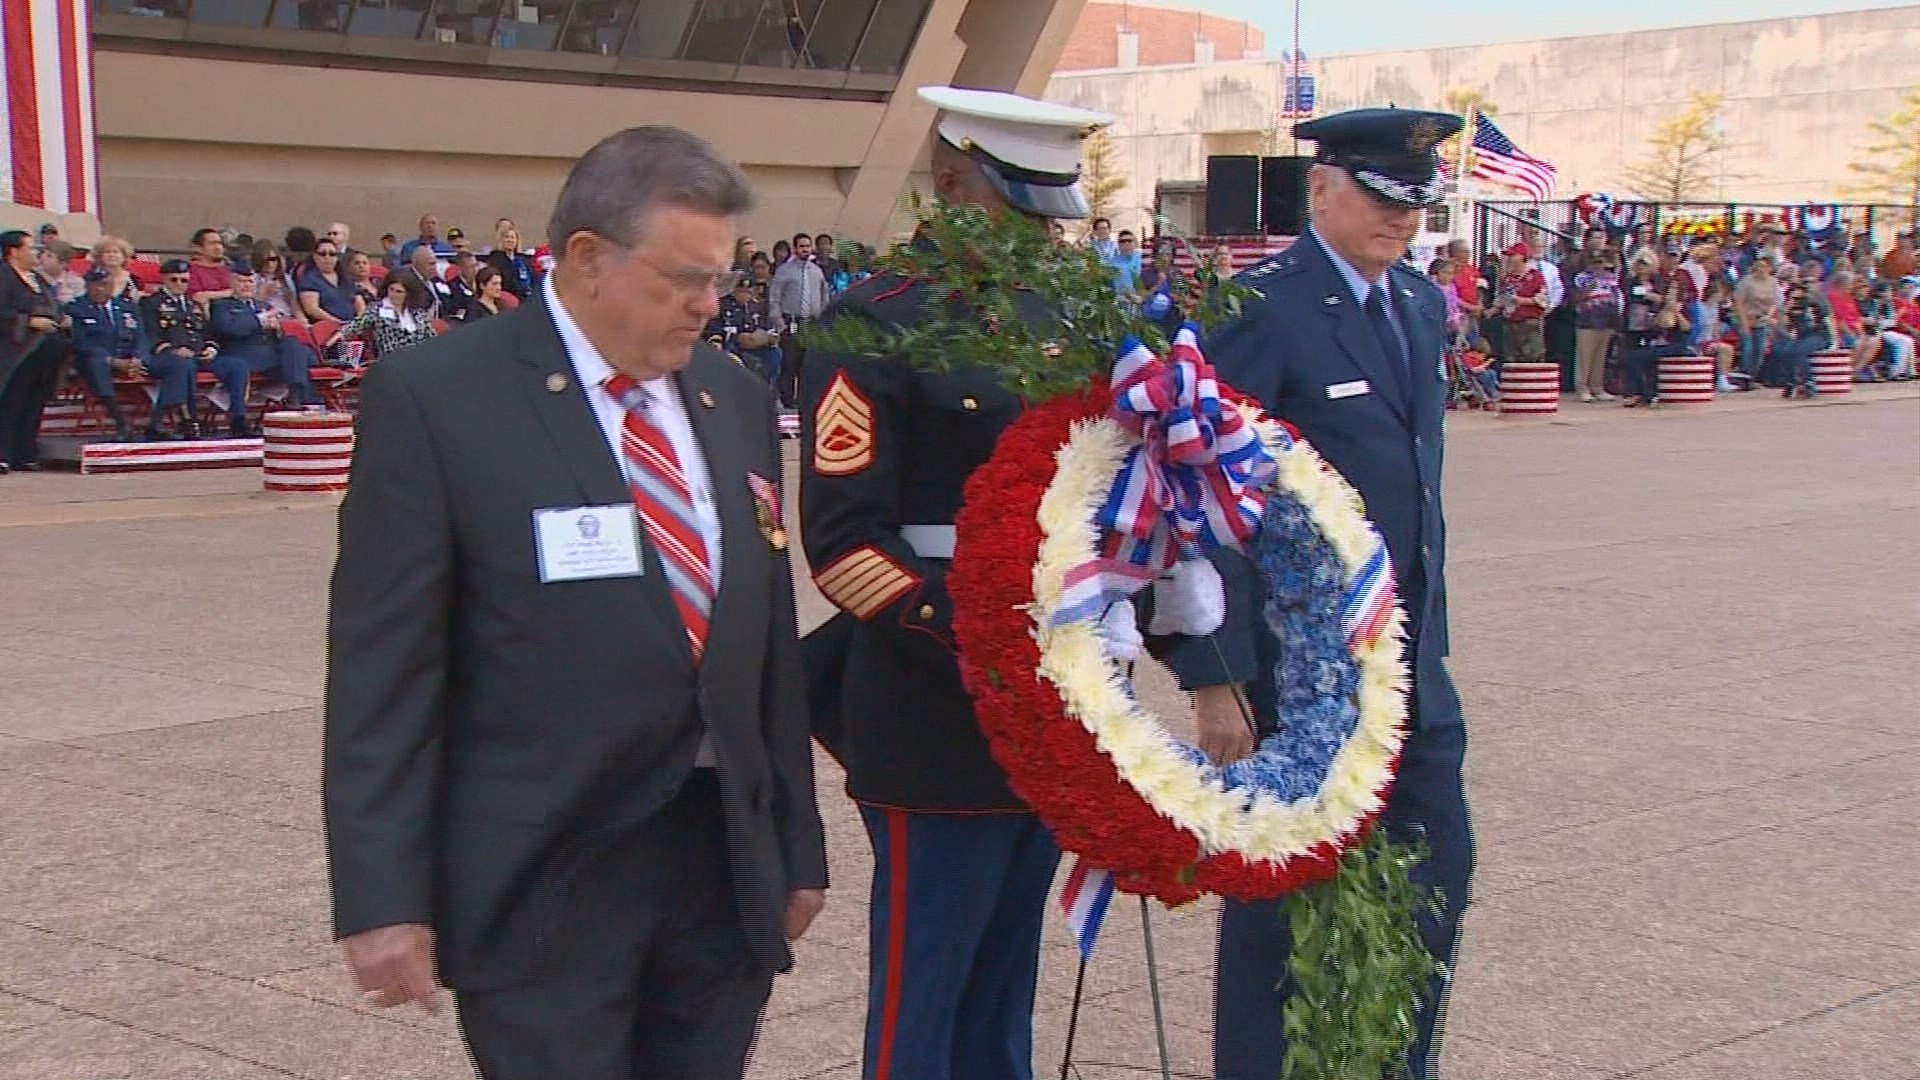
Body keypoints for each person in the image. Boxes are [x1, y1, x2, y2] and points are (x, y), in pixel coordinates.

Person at [324, 124, 827, 1080]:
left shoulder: (730, 399)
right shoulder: (441, 397)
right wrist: (383, 895)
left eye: (721, 278)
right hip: (542, 870)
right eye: (685, 279)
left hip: (717, 864)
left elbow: (765, 640)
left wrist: (796, 845)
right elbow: (382, 668)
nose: (710, 305)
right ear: (588, 259)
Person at [799, 84, 1113, 1080]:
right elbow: (845, 544)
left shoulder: (1062, 315)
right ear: (952, 186)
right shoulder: (875, 323)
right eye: (1017, 208)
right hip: (934, 701)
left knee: (1003, 992)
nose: (1038, 235)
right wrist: (982, 641)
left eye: (1047, 214)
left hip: (1053, 695)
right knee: (924, 995)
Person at [1152, 107, 1473, 1080]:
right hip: (1300, 678)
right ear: (1323, 190)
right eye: (1380, 197)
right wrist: (1217, 674)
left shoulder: (1417, 304)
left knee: (1435, 879)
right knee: (1281, 912)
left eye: (1415, 201)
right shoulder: (1262, 310)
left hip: (1408, 665)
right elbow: (1202, 498)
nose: (1402, 218)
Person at [68, 268, 174, 442]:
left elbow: (141, 337)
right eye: (95, 285)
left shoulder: (127, 307)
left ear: (112, 286)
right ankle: (121, 422)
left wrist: (138, 359)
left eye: (105, 284)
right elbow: (81, 343)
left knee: (177, 365)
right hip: (99, 362)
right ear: (87, 286)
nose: (100, 289)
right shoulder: (76, 308)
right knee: (96, 362)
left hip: (131, 360)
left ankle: (156, 422)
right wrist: (113, 361)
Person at [208, 263, 319, 419]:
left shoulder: (264, 305)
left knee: (291, 342)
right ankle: (305, 399)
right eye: (241, 281)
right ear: (231, 283)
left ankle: (295, 395)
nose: (246, 285)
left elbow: (275, 335)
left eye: (250, 281)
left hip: (268, 358)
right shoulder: (222, 306)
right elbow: (230, 329)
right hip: (241, 354)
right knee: (298, 361)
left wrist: (276, 328)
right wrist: (259, 321)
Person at [0, 229, 71, 473]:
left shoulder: (37, 279)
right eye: (30, 248)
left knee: (33, 402)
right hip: (15, 353)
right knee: (11, 401)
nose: (36, 253)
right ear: (14, 252)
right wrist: (29, 321)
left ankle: (25, 453)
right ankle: (3, 453)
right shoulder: (4, 276)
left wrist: (60, 318)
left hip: (44, 352)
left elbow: (53, 305)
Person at [142, 258, 238, 436]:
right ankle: (181, 419)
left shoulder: (193, 304)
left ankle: (238, 419)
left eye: (184, 280)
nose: (179, 284)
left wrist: (211, 348)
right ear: (164, 279)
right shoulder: (151, 303)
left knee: (236, 365)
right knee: (182, 365)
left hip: (198, 355)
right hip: (166, 357)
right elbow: (150, 334)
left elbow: (208, 333)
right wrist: (172, 350)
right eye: (174, 279)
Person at [327, 271, 441, 359]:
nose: (393, 294)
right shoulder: (377, 309)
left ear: (409, 294)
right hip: (391, 361)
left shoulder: (418, 313)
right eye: (391, 289)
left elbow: (431, 338)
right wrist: (339, 334)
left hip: (419, 359)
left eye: (399, 292)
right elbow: (357, 324)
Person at [1569, 244, 1623, 401]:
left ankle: (1597, 387)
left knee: (1600, 356)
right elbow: (1575, 299)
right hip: (1588, 320)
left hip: (1607, 320)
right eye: (1596, 262)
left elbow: (1616, 297)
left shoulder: (1611, 278)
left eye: (1602, 261)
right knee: (1584, 356)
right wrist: (1589, 289)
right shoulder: (1581, 277)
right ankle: (1582, 387)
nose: (1599, 265)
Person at [707, 275, 780, 387]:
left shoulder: (755, 306)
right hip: (732, 346)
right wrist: (737, 338)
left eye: (748, 291)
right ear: (734, 290)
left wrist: (768, 338)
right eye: (741, 291)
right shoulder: (722, 306)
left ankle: (767, 388)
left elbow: (768, 328)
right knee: (748, 361)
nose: (745, 295)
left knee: (774, 354)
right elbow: (714, 330)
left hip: (755, 345)